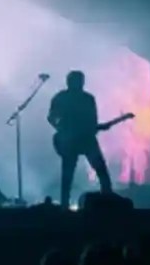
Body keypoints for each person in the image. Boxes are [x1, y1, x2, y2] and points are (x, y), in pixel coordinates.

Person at [47, 70, 113, 207]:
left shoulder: (71, 98)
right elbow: (52, 117)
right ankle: (107, 200)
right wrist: (62, 130)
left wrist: (62, 130)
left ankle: (107, 201)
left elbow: (52, 117)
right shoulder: (80, 98)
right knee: (97, 171)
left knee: (72, 173)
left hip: (81, 139)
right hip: (78, 140)